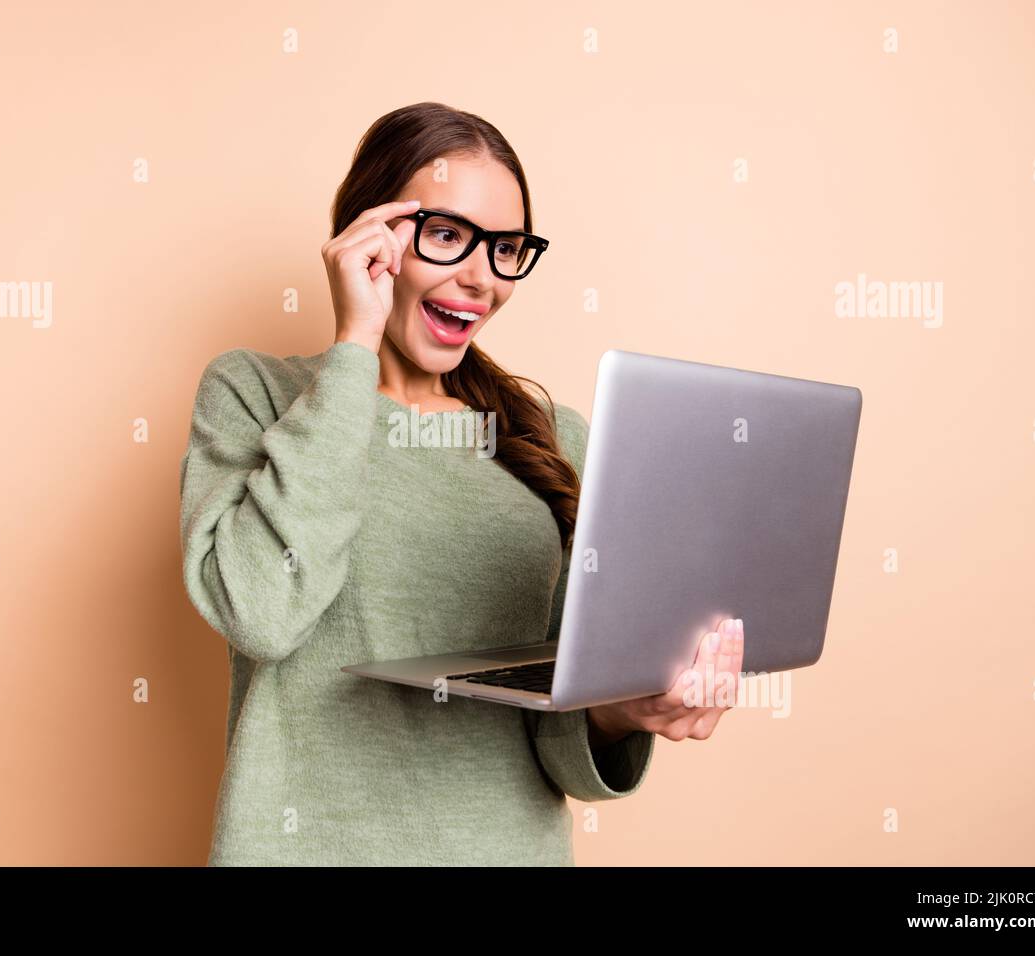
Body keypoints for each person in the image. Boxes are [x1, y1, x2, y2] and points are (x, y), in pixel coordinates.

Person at [178, 101, 745, 865]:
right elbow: (261, 614)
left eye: (506, 248)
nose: (481, 279)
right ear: (365, 236)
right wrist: (354, 348)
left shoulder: (553, 436)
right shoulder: (257, 394)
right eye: (447, 236)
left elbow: (557, 733)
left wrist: (625, 711)